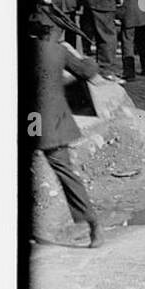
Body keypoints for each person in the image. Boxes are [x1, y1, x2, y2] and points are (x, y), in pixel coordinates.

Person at [29, 18, 102, 247]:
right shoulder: (57, 51)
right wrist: (84, 56)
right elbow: (87, 71)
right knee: (66, 172)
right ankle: (92, 223)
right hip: (51, 122)